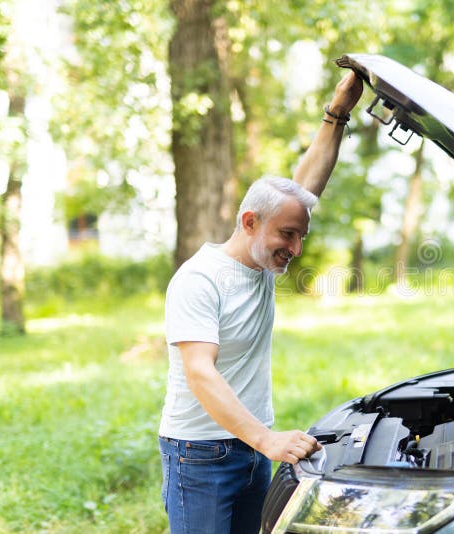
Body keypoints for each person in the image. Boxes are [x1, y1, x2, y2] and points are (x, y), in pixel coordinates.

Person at [158, 71, 363, 534]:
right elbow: (200, 372)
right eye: (287, 235)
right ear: (250, 222)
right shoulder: (199, 279)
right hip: (200, 456)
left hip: (250, 446)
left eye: (301, 236)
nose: (296, 248)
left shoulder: (261, 263)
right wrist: (267, 439)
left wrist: (338, 112)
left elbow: (304, 189)